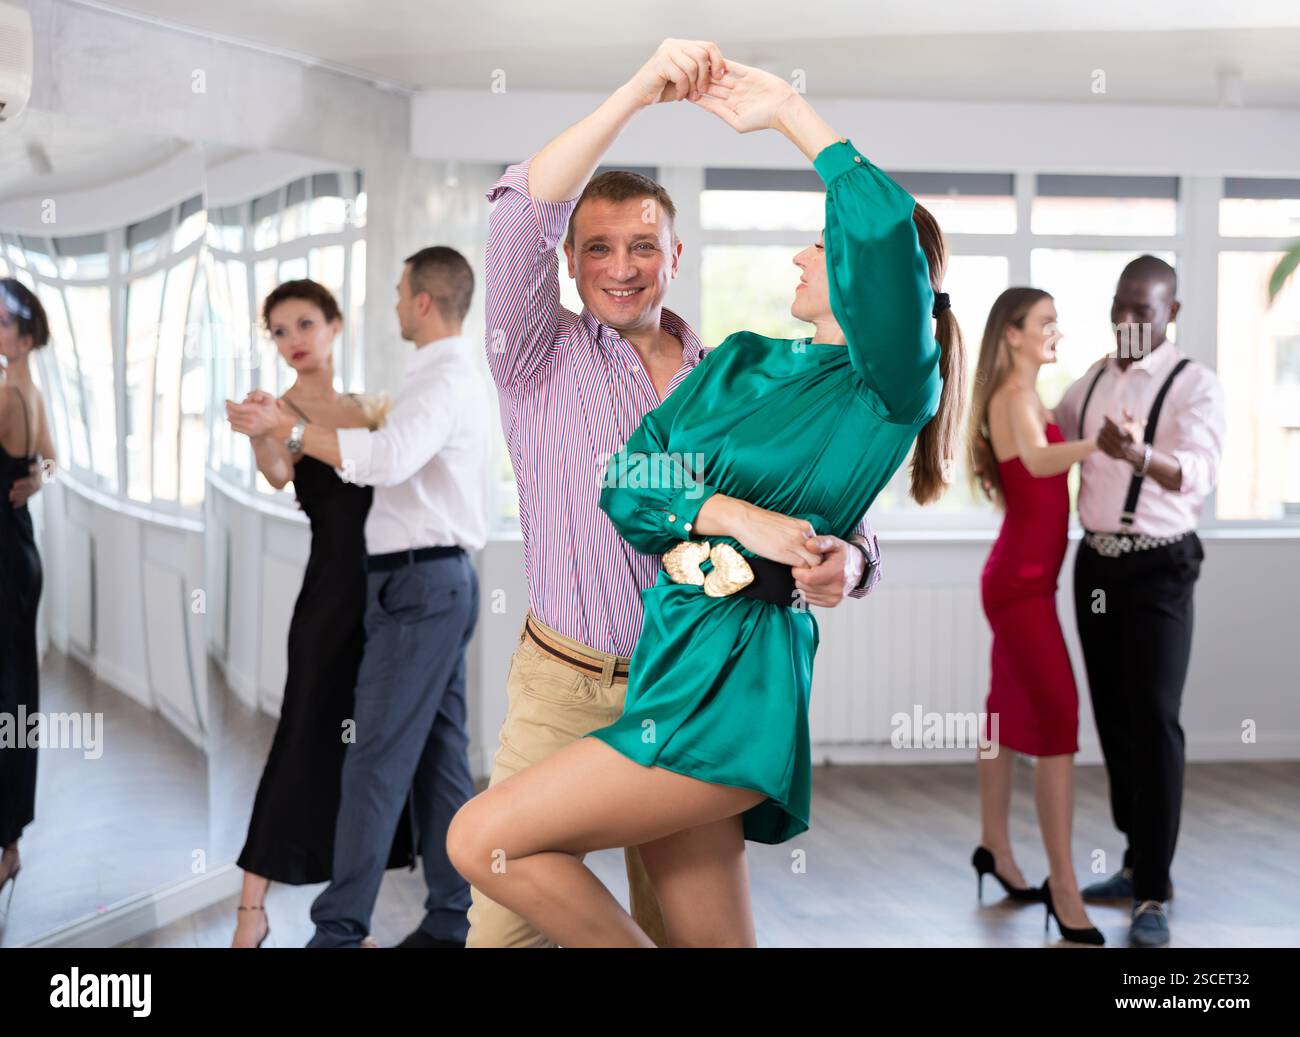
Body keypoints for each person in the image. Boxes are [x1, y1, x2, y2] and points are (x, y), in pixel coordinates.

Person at [448, 45, 965, 947]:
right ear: (570, 263)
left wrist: (850, 556)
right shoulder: (567, 354)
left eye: (642, 244)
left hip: (711, 679)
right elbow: (630, 481)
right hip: (568, 682)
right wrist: (640, 92)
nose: (621, 265)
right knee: (505, 915)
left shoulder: (783, 374)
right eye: (598, 247)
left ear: (674, 254)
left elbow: (835, 504)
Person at [233, 247, 492, 948]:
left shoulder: (428, 386)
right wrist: (273, 430)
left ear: (423, 303)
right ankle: (449, 920)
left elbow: (383, 460)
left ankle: (338, 933)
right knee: (439, 755)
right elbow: (284, 472)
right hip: (396, 589)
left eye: (401, 290)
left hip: (416, 586)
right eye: (280, 329)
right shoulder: (427, 381)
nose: (397, 301)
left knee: (374, 759)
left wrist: (285, 427)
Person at [224, 279, 414, 948]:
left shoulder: (372, 407)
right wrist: (256, 432)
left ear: (334, 326)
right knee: (303, 734)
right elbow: (278, 471)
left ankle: (348, 908)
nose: (293, 338)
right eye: (279, 330)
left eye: (305, 322)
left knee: (365, 746)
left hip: (390, 592)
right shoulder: (278, 409)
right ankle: (252, 906)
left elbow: (405, 474)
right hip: (328, 599)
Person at [1054, 255, 1225, 947]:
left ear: (1172, 314)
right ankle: (1133, 859)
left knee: (1155, 718)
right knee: (1115, 720)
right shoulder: (1090, 379)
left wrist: (1139, 455)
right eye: (1119, 307)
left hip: (1160, 568)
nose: (1128, 321)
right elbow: (1050, 433)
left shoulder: (1195, 384)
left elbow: (1200, 472)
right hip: (1095, 565)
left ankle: (1154, 888)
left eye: (1143, 310)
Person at [966, 287, 1103, 945]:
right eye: (1046, 322)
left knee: (1003, 713)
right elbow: (1041, 461)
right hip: (1020, 586)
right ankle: (1066, 886)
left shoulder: (1032, 398)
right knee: (1059, 722)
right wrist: (1096, 444)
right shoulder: (1013, 398)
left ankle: (994, 843)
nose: (1056, 331)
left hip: (1023, 580)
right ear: (1013, 334)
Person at [0, 278, 55, 913]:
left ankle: (8, 843)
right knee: (14, 693)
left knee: (9, 696)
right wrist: (38, 475)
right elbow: (53, 457)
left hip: (7, 560)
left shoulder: (10, 392)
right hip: (19, 550)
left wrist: (35, 475)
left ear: (27, 334)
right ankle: (9, 841)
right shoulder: (30, 390)